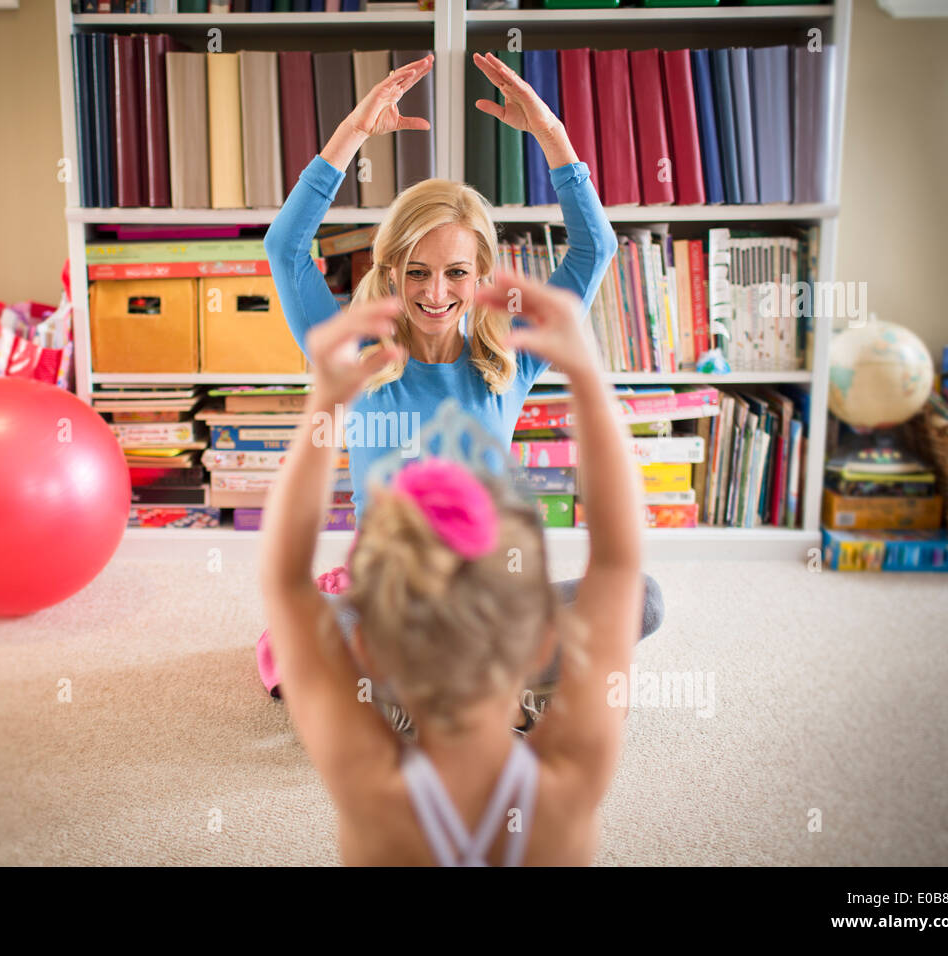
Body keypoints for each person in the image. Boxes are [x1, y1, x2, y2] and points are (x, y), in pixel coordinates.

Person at [255, 53, 662, 706]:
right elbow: (284, 246)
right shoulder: (357, 355)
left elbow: (594, 250)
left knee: (639, 599)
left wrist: (550, 134)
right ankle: (466, 687)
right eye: (417, 271)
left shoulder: (511, 353)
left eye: (455, 273)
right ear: (391, 274)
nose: (436, 292)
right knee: (315, 630)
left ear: (481, 278)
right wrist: (353, 132)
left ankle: (442, 686)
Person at [258, 274, 644, 865]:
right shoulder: (566, 789)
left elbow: (285, 583)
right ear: (544, 641)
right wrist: (588, 379)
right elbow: (618, 565)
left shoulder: (373, 794)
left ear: (371, 651)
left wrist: (325, 402)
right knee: (639, 595)